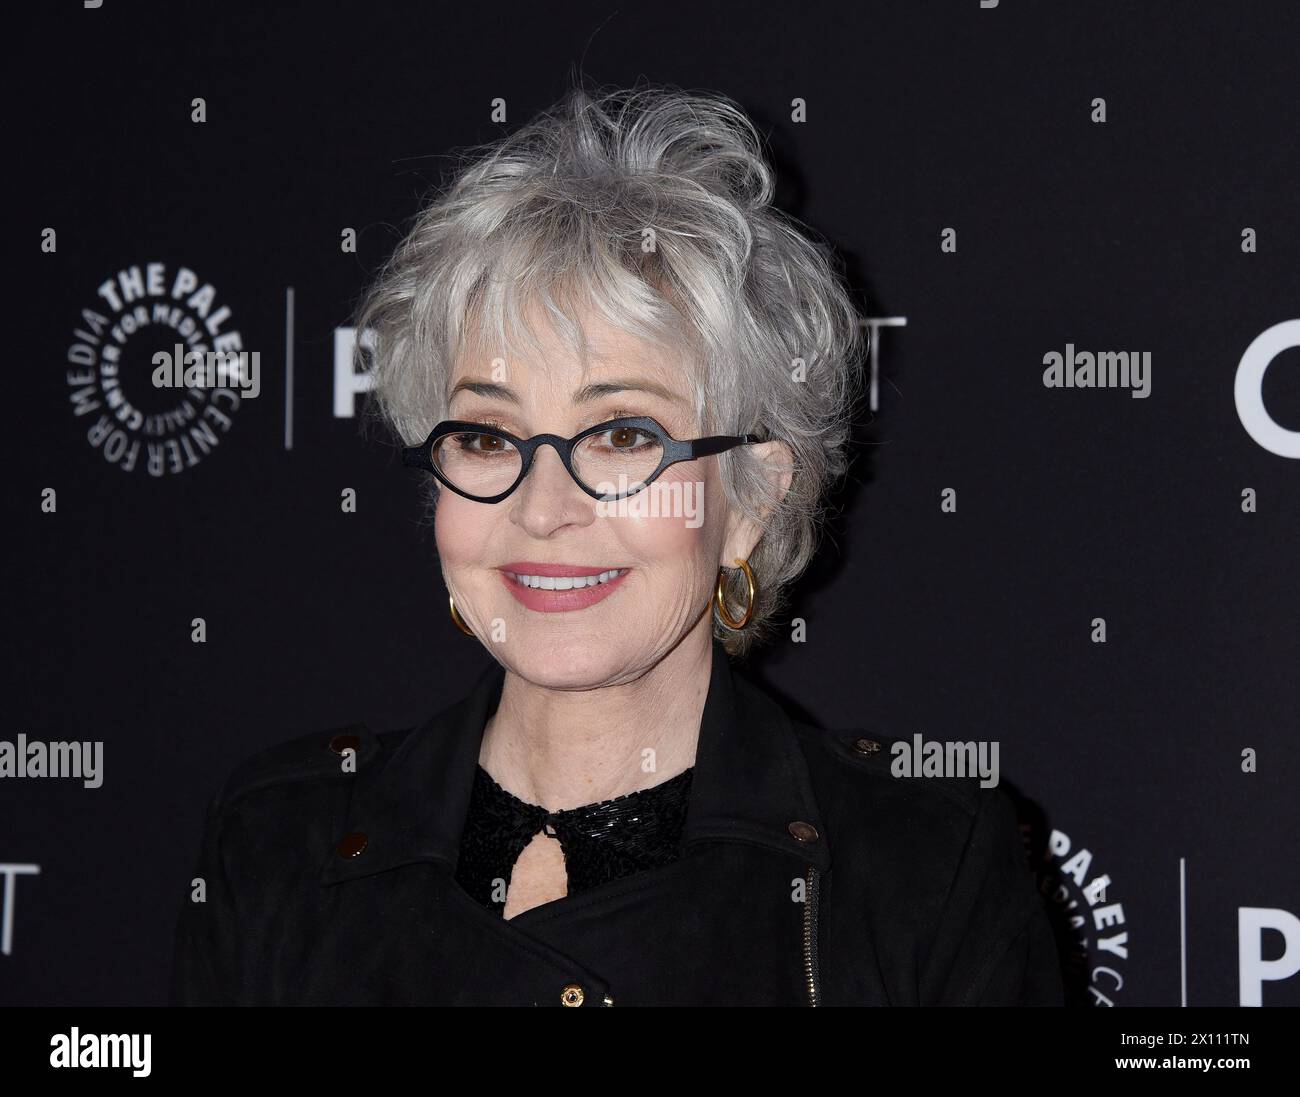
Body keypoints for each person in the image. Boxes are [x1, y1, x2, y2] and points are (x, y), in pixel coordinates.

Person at [169, 81, 1064, 1006]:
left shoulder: (920, 863)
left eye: (623, 434)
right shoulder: (280, 839)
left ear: (750, 496)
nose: (544, 506)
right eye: (486, 437)